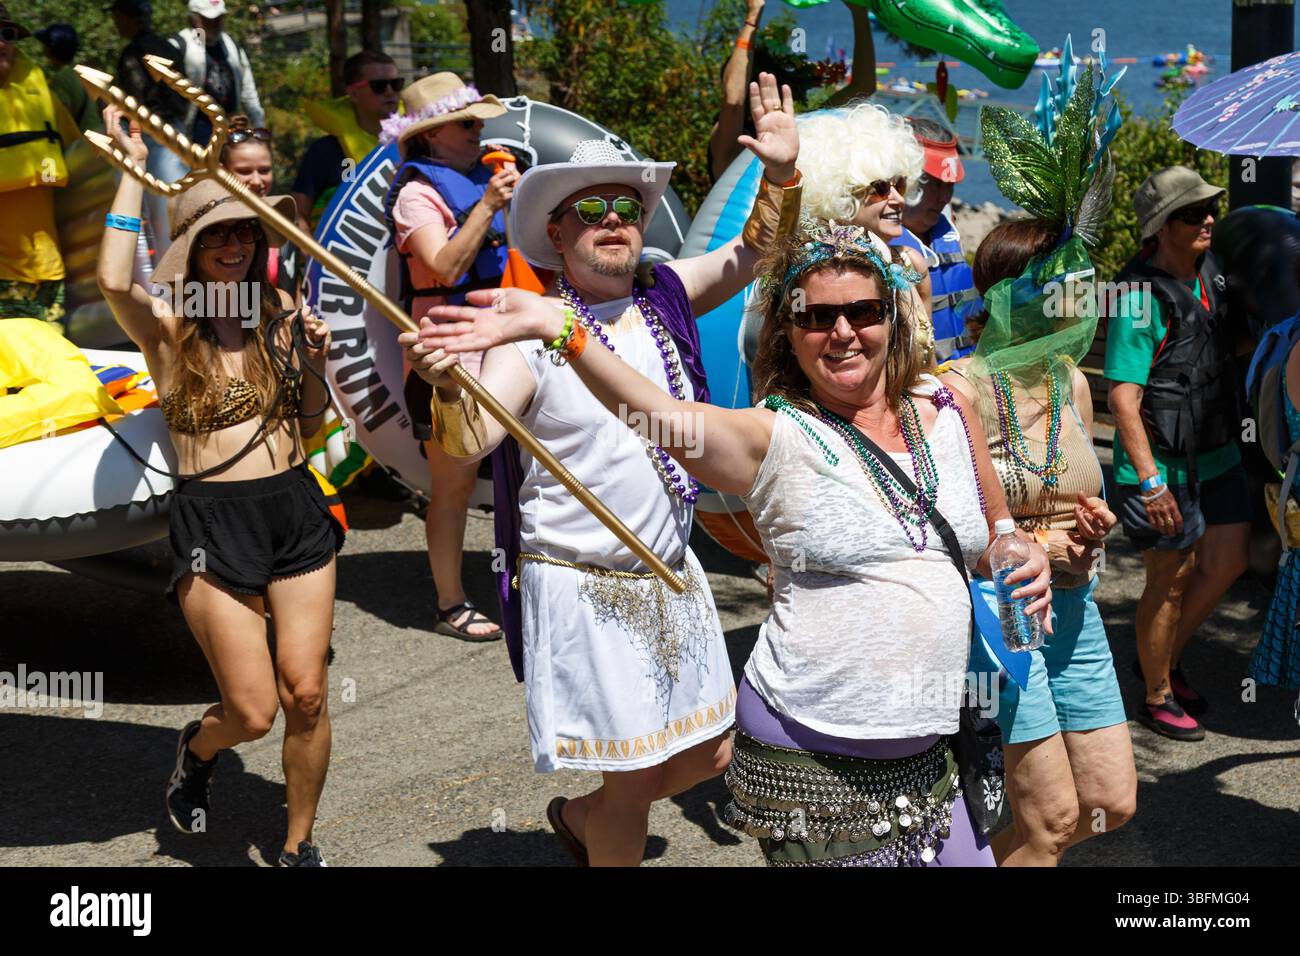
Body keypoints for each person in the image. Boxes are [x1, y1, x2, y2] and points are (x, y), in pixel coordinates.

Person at [414, 215, 1054, 867]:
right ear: (788, 335)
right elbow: (656, 417)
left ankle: (597, 814)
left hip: (933, 758)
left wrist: (1017, 550)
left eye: (862, 310)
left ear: (894, 316)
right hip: (815, 763)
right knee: (631, 777)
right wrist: (567, 332)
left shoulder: (947, 403)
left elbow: (991, 536)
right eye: (814, 317)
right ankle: (602, 817)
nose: (841, 332)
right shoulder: (770, 437)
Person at [401, 72, 803, 866]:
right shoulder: (529, 333)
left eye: (626, 208)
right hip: (585, 585)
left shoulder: (664, 296)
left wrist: (783, 173)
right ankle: (605, 825)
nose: (614, 222)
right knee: (633, 782)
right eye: (591, 210)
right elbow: (472, 438)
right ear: (557, 235)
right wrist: (449, 383)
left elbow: (757, 250)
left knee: (707, 757)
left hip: (669, 573)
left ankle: (582, 820)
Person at [97, 104, 343, 866]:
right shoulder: (168, 327)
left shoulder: (278, 311)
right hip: (213, 524)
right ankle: (199, 750)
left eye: (246, 232)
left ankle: (299, 846)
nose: (235, 245)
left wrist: (312, 364)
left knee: (306, 694)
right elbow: (112, 275)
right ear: (194, 249)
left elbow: (308, 423)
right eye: (218, 234)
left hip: (295, 508)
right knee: (253, 711)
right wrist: (130, 172)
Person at [941, 220, 1136, 865]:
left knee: (1111, 802)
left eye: (1076, 286)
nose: (1072, 301)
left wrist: (1093, 524)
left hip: (1077, 610)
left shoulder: (1071, 382)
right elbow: (942, 533)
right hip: (1004, 617)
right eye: (1055, 286)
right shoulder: (958, 391)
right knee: (1050, 821)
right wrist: (1042, 549)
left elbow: (1080, 491)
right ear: (1007, 294)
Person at [1107, 166, 1250, 741]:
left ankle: (1160, 656)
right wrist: (1150, 482)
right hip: (1160, 465)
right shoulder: (1140, 297)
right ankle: (1157, 692)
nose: (1208, 219)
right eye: (1192, 213)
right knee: (1170, 578)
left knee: (1227, 563)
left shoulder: (1209, 274)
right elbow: (1122, 395)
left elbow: (1222, 344)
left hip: (1216, 453)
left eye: (1209, 208)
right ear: (1161, 226)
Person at [379, 72, 517, 642]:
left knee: (523, 470)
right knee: (453, 485)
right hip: (450, 353)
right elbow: (444, 268)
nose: (477, 131)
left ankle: (532, 585)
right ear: (433, 135)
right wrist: (487, 204)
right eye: (466, 122)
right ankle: (450, 602)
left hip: (502, 340)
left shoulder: (480, 177)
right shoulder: (417, 195)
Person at [797, 102, 935, 362]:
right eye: (881, 187)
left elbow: (926, 365)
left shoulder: (911, 264)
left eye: (901, 184)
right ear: (839, 194)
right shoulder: (808, 272)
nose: (898, 199)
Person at [0, 4, 81, 324]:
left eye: (7, 34)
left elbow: (80, 155)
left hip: (47, 273)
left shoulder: (37, 85)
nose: (3, 42)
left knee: (49, 365)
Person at [893, 117, 981, 364]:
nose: (944, 197)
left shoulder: (948, 226)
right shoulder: (874, 238)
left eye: (949, 185)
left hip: (970, 372)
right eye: (935, 183)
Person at [109, 0, 189, 256]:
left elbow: (136, 100)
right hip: (177, 132)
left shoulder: (134, 53)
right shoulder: (168, 47)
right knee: (177, 208)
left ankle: (173, 278)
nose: (115, 22)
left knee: (161, 212)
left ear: (131, 18)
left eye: (118, 15)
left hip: (153, 137)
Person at [291, 50, 401, 231]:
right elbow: (298, 213)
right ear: (354, 93)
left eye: (396, 84)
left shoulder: (413, 142)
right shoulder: (324, 151)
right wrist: (310, 254)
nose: (390, 92)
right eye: (379, 86)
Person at [172, 0, 264, 150]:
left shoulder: (230, 44)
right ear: (193, 19)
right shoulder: (178, 46)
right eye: (208, 20)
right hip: (195, 136)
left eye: (219, 18)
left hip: (231, 133)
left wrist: (259, 125)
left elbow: (248, 90)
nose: (215, 24)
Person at [219, 115, 286, 286]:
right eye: (244, 171)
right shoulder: (207, 230)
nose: (256, 181)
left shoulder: (284, 221)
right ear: (221, 172)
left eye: (264, 170)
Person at [707, 0, 764, 183]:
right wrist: (753, 17)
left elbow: (855, 89)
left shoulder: (789, 132)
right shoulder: (736, 141)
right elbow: (733, 101)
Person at [33, 23, 100, 133]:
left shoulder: (61, 79)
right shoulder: (83, 73)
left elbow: (64, 118)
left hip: (83, 144)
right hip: (99, 136)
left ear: (49, 50)